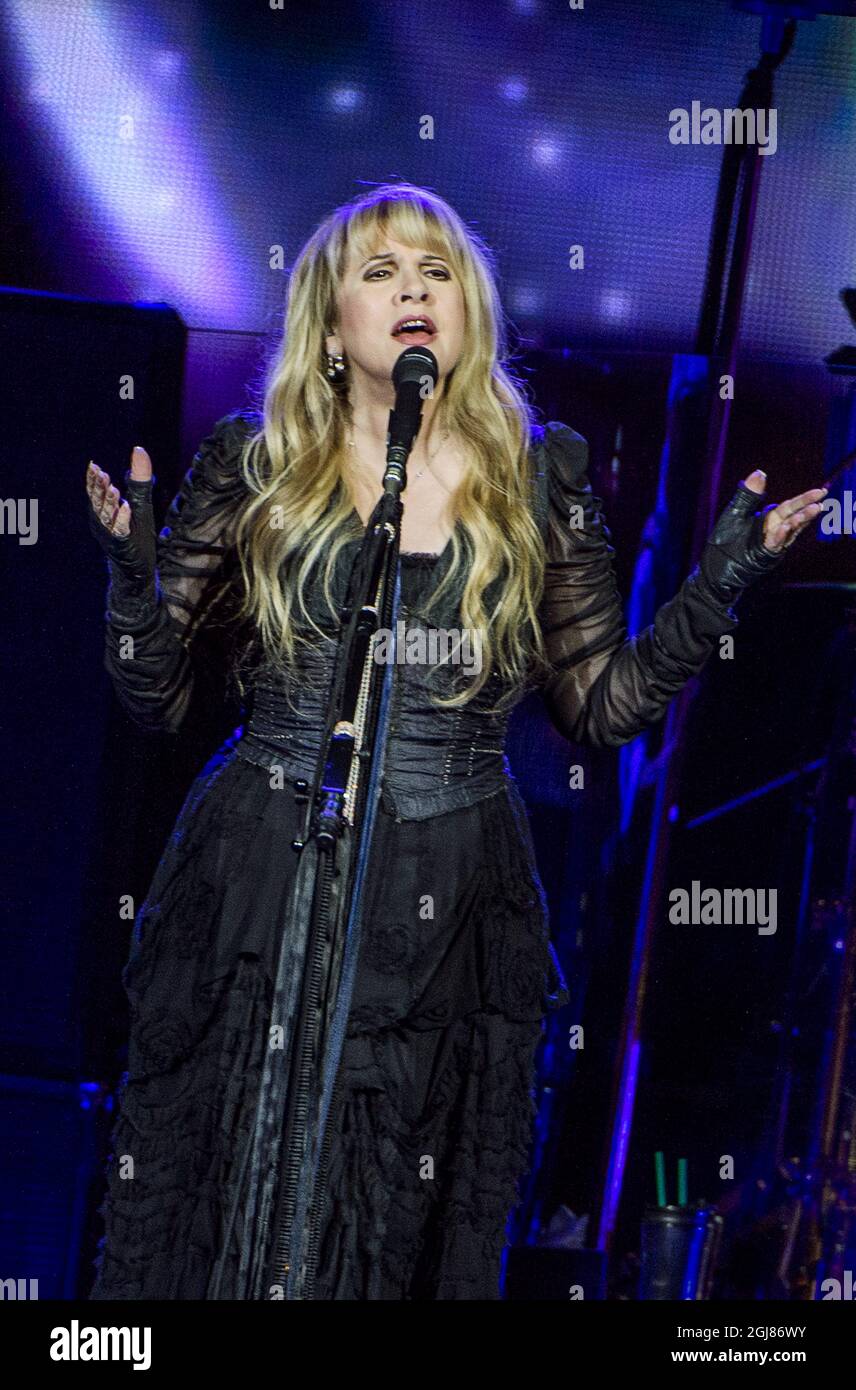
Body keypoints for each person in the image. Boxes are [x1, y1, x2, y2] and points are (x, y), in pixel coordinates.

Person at [85, 182, 826, 1301]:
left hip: (442, 888)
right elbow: (153, 694)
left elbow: (604, 704)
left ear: (467, 311)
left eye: (433, 272)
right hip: (258, 863)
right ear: (332, 325)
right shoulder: (254, 466)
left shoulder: (538, 480)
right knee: (222, 1168)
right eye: (379, 273)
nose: (412, 291)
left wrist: (720, 581)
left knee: (386, 1203)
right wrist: (131, 576)